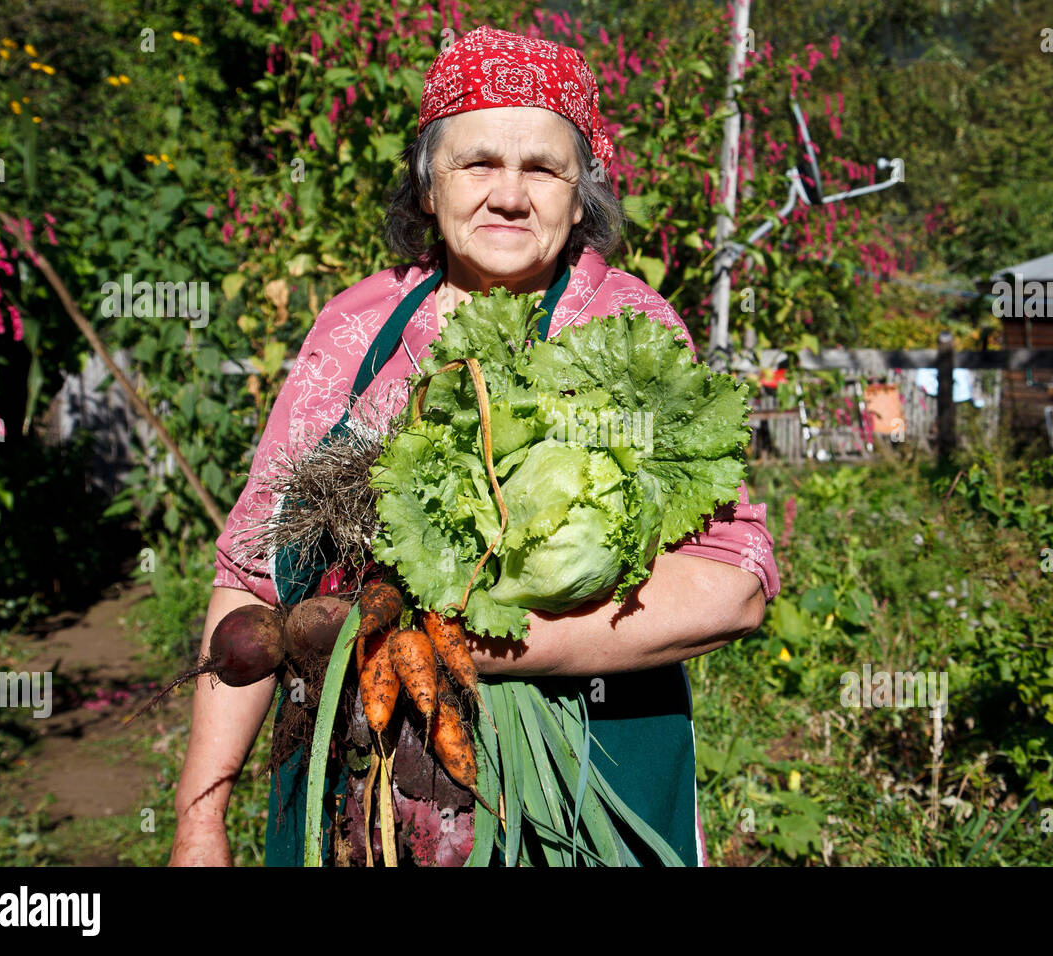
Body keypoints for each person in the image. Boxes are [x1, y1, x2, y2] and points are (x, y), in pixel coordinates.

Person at [168, 25, 779, 868]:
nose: (510, 195)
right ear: (427, 185)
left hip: (586, 798)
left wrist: (472, 647)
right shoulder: (354, 329)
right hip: (353, 804)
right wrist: (201, 815)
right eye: (478, 162)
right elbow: (249, 579)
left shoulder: (627, 329)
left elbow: (733, 587)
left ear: (580, 195)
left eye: (543, 169)